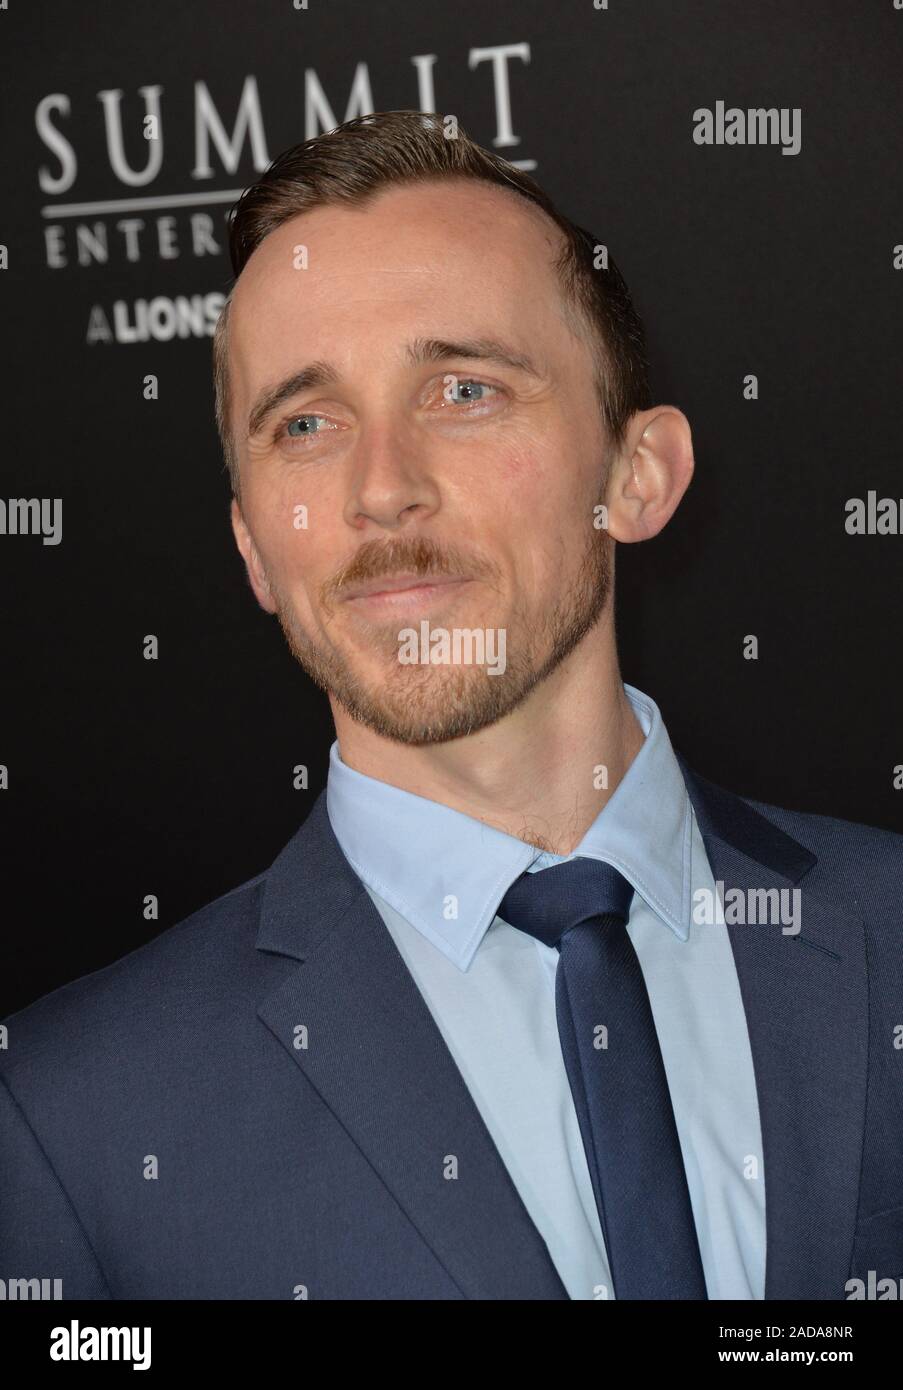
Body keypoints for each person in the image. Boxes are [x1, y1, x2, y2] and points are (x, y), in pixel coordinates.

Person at [2, 110, 901, 1301]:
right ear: (254, 550)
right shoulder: (71, 1124)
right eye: (306, 424)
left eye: (463, 388)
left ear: (637, 475)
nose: (381, 488)